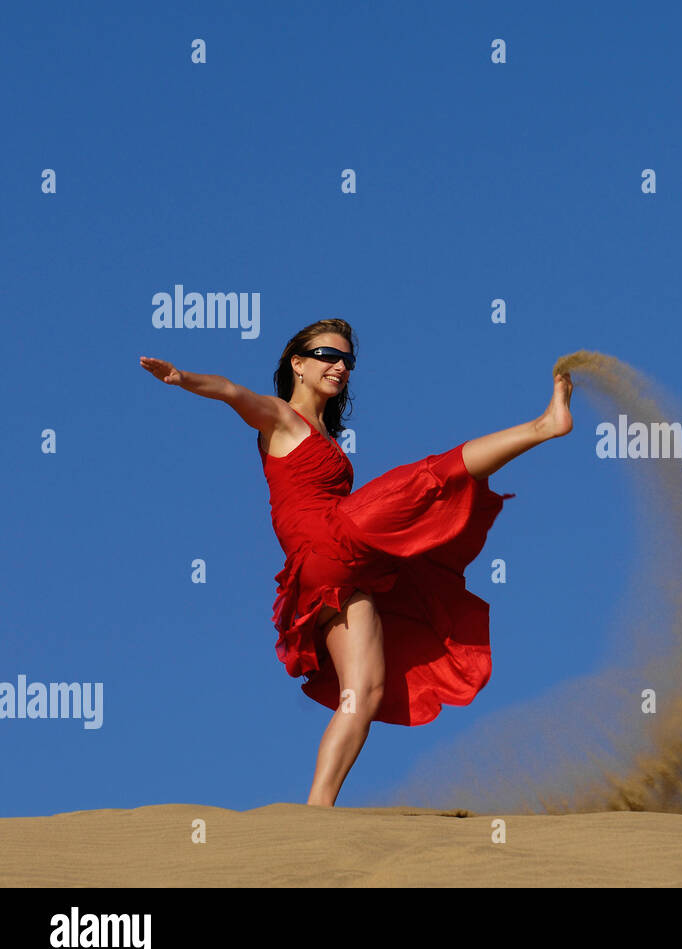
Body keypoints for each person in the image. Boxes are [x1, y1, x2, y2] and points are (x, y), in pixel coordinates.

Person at [140, 317, 573, 807]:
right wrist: (183, 378)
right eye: (327, 355)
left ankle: (316, 811)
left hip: (339, 570)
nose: (340, 365)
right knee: (427, 479)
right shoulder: (283, 419)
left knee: (363, 692)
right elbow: (234, 393)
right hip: (330, 539)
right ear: (297, 365)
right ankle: (543, 426)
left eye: (346, 359)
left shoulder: (326, 434)